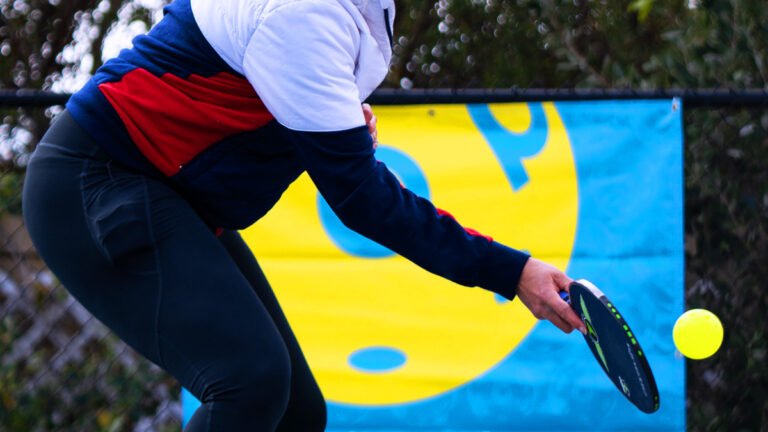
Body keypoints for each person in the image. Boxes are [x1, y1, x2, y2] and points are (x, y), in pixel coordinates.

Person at [22, 0, 586, 430]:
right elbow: (363, 200)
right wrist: (512, 272)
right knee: (250, 382)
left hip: (164, 195)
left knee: (295, 413)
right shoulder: (304, 16)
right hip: (97, 185)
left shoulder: (360, 15)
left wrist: (321, 118)